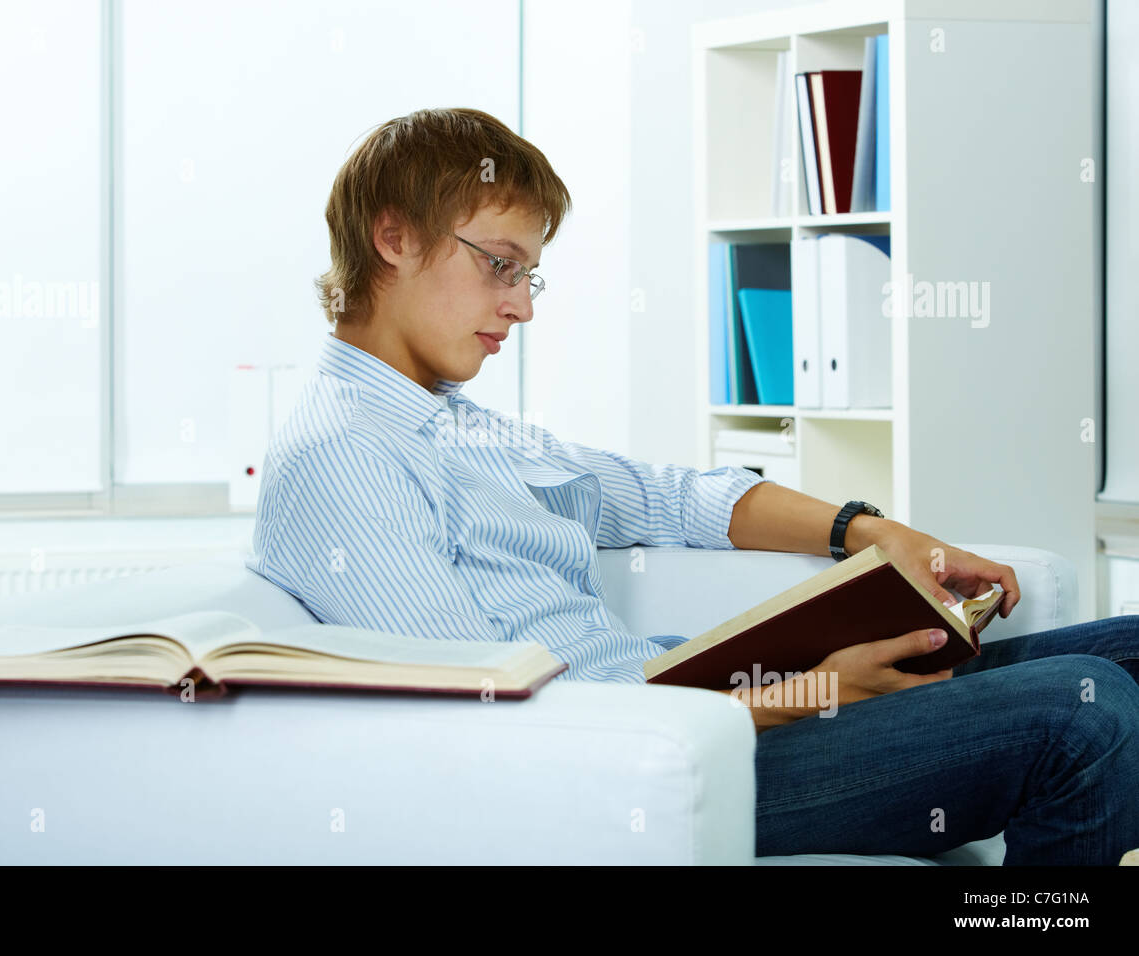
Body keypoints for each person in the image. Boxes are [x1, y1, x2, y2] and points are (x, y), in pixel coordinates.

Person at [246, 107, 1139, 865]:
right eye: (499, 265)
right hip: (643, 776)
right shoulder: (342, 454)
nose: (521, 306)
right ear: (393, 237)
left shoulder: (465, 427)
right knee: (1082, 716)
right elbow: (492, 728)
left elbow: (672, 496)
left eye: (529, 274)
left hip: (699, 708)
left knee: (1127, 653)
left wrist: (872, 534)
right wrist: (809, 692)